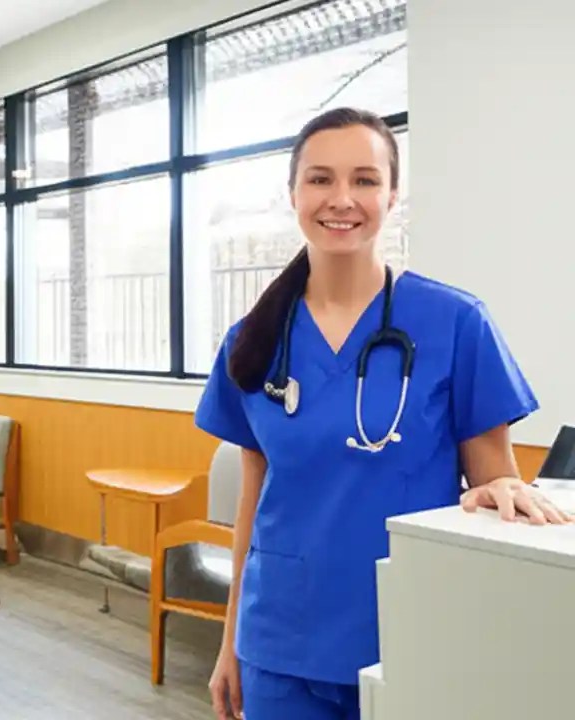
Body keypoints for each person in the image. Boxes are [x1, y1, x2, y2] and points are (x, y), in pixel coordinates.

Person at [193, 107, 572, 720]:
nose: (341, 198)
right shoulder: (254, 340)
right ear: (293, 193)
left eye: (365, 179)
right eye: (320, 178)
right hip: (279, 642)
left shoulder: (456, 324)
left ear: (393, 196)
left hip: (412, 637)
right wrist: (229, 643)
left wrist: (505, 490)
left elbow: (493, 480)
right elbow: (253, 505)